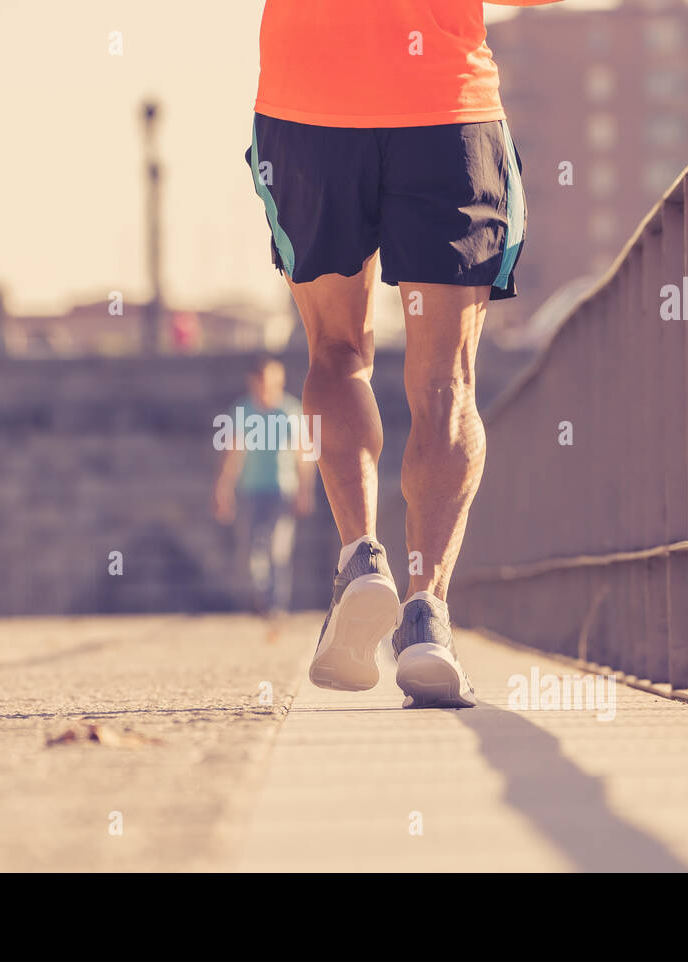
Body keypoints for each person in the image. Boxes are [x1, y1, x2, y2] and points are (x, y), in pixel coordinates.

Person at [245, 0, 559, 707]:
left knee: (335, 351)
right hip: (444, 109)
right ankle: (426, 614)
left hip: (310, 103)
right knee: (446, 381)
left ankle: (360, 557)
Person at [214, 356, 316, 618]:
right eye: (261, 380)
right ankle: (259, 598)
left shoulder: (292, 411)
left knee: (277, 549)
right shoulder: (242, 410)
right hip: (249, 490)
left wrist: (306, 490)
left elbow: (304, 456)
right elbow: (231, 453)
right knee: (249, 549)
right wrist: (223, 490)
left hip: (283, 490)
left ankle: (275, 605)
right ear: (252, 382)